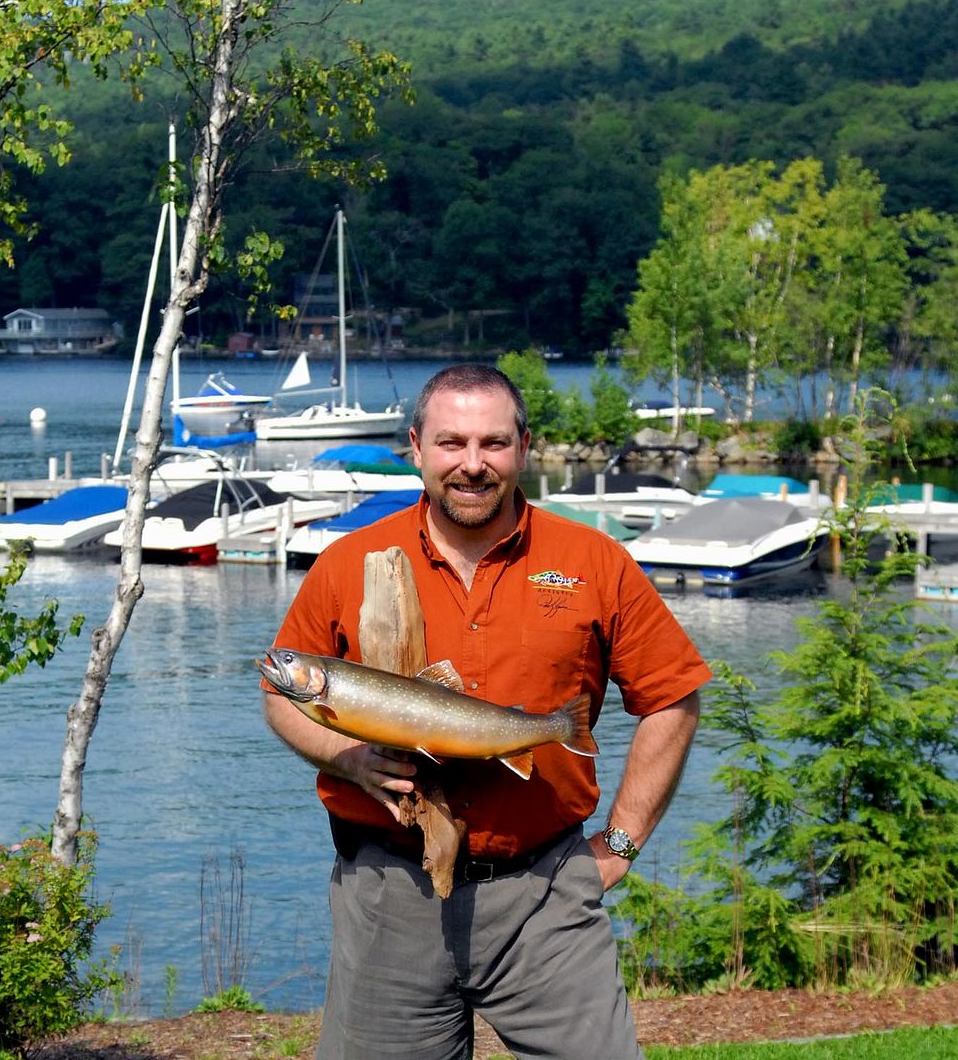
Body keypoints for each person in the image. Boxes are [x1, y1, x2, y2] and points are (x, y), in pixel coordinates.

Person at [263, 364, 711, 1059]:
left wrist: (620, 844)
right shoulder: (347, 562)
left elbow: (673, 696)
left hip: (547, 896)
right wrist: (344, 757)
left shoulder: (592, 559)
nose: (472, 465)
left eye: (493, 444)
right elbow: (279, 694)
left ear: (524, 448)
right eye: (451, 443)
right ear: (415, 447)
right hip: (389, 895)